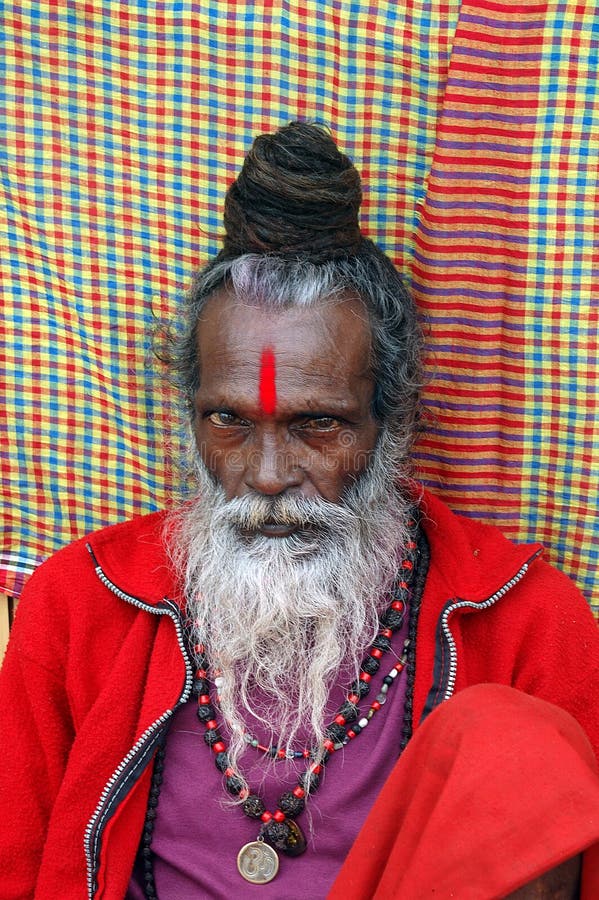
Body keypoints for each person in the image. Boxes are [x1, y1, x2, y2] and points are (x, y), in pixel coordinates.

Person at [1, 122, 599, 900]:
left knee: (512, 746)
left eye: (317, 424)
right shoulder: (79, 606)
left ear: (392, 419)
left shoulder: (525, 623)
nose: (268, 475)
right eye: (229, 421)